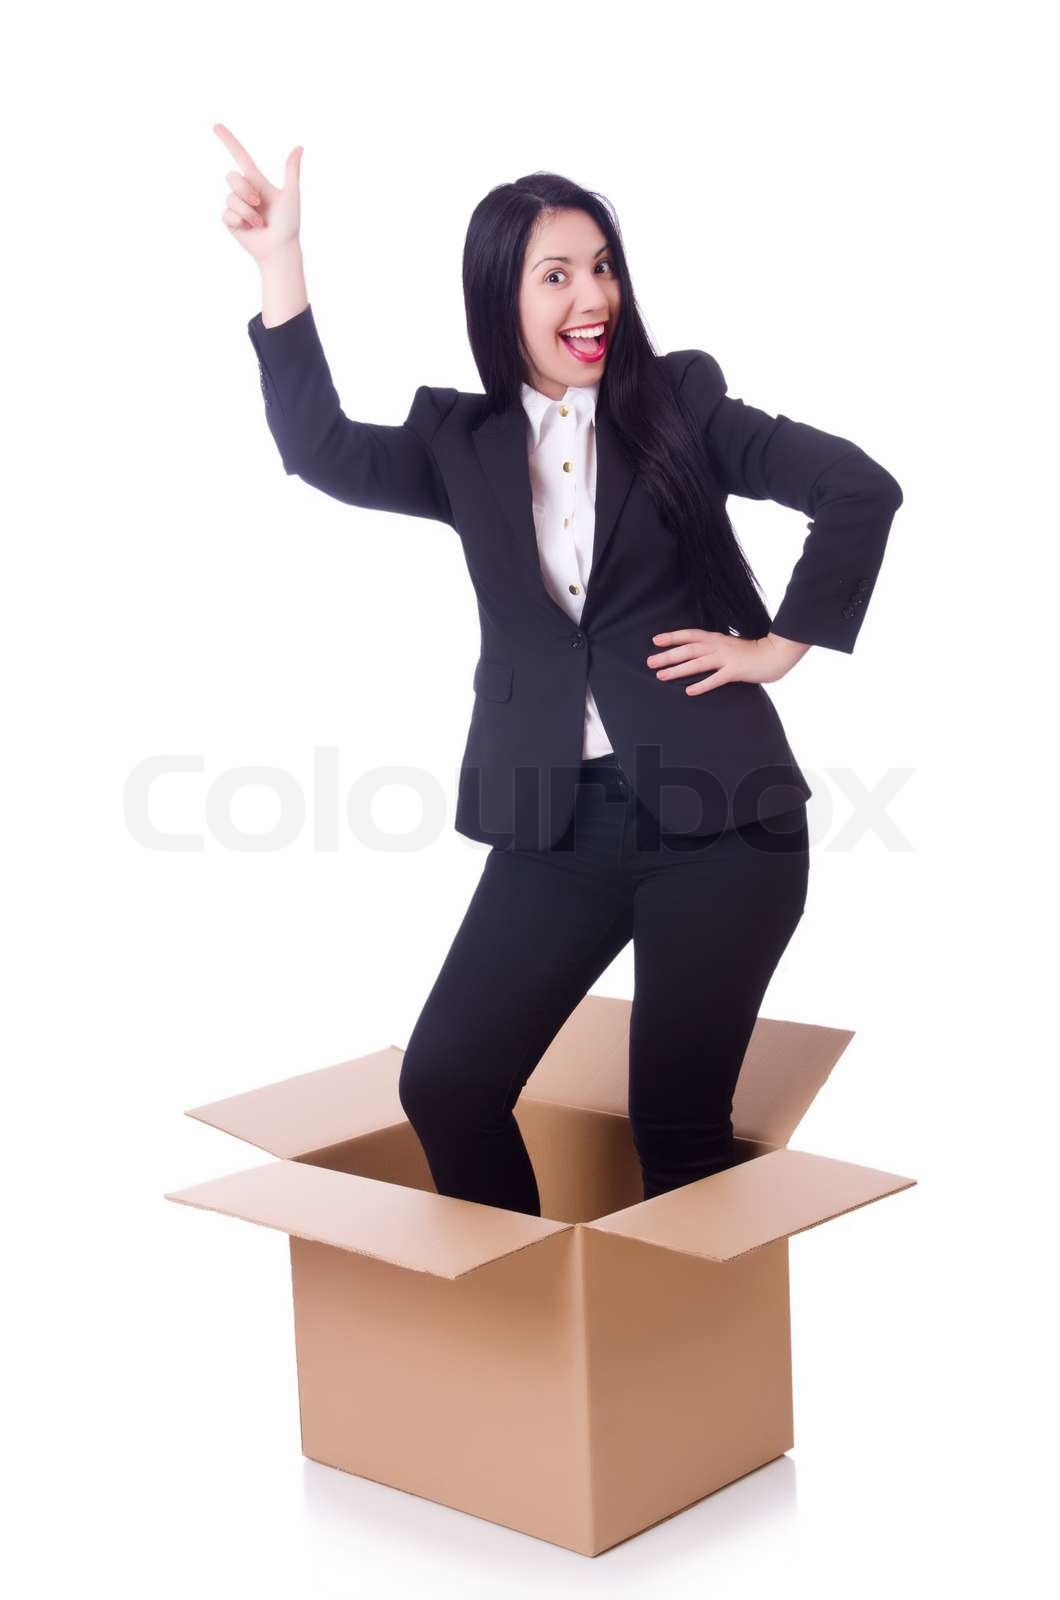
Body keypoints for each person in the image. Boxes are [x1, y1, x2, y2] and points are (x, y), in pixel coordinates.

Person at [215, 125, 904, 1216]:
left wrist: (774, 648)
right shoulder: (462, 439)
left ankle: (676, 1368)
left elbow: (859, 488)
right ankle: (530, 1324)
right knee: (445, 1086)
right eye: (557, 274)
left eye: (602, 265)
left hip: (721, 831)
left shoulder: (680, 403)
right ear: (502, 300)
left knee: (674, 1140)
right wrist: (279, 266)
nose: (593, 295)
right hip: (556, 829)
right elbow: (321, 453)